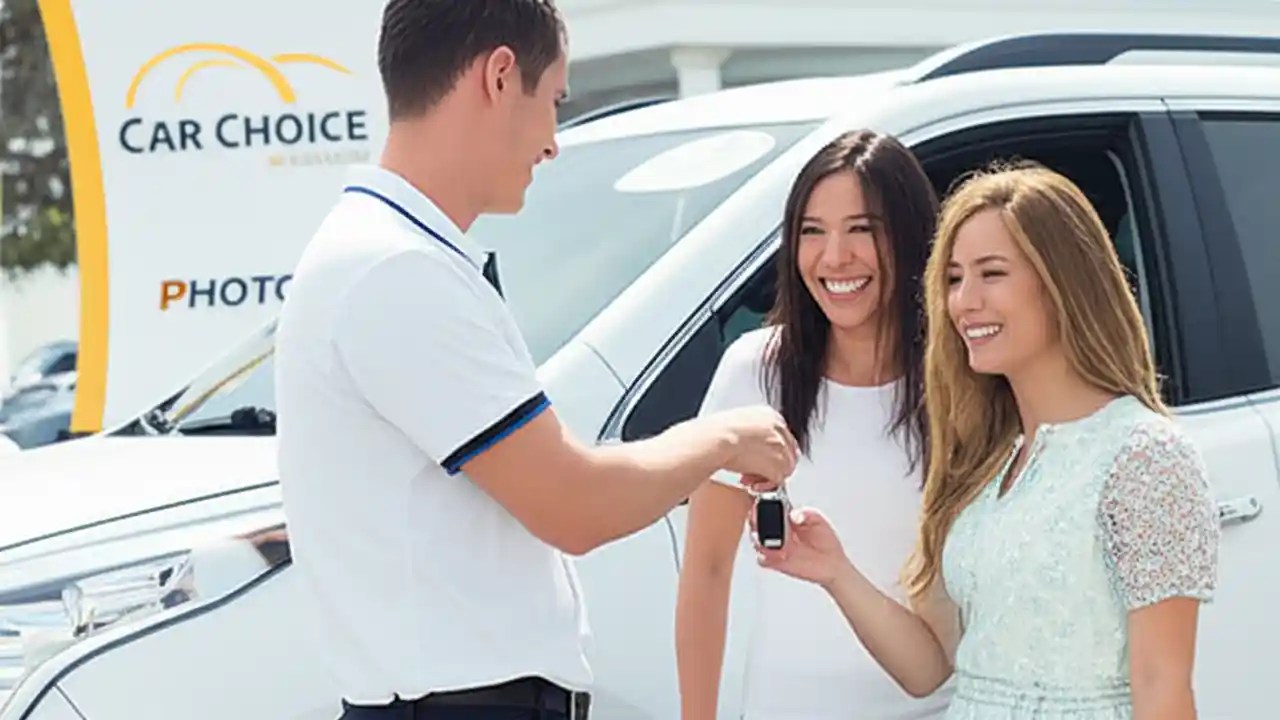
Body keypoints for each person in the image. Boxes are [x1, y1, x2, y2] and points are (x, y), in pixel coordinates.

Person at [273, 2, 799, 718]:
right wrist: (724, 437)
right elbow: (573, 505)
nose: (553, 142)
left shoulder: (386, 253)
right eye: (553, 100)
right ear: (497, 76)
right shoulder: (395, 269)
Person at [749, 162, 1221, 719]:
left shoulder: (1144, 456)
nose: (963, 302)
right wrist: (835, 571)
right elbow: (930, 672)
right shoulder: (988, 462)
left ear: (1063, 284)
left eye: (991, 274)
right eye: (953, 278)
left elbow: (1163, 689)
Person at [675, 129, 952, 720]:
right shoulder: (755, 372)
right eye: (812, 232)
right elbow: (706, 571)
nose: (834, 258)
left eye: (861, 229)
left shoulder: (958, 383)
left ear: (908, 236)